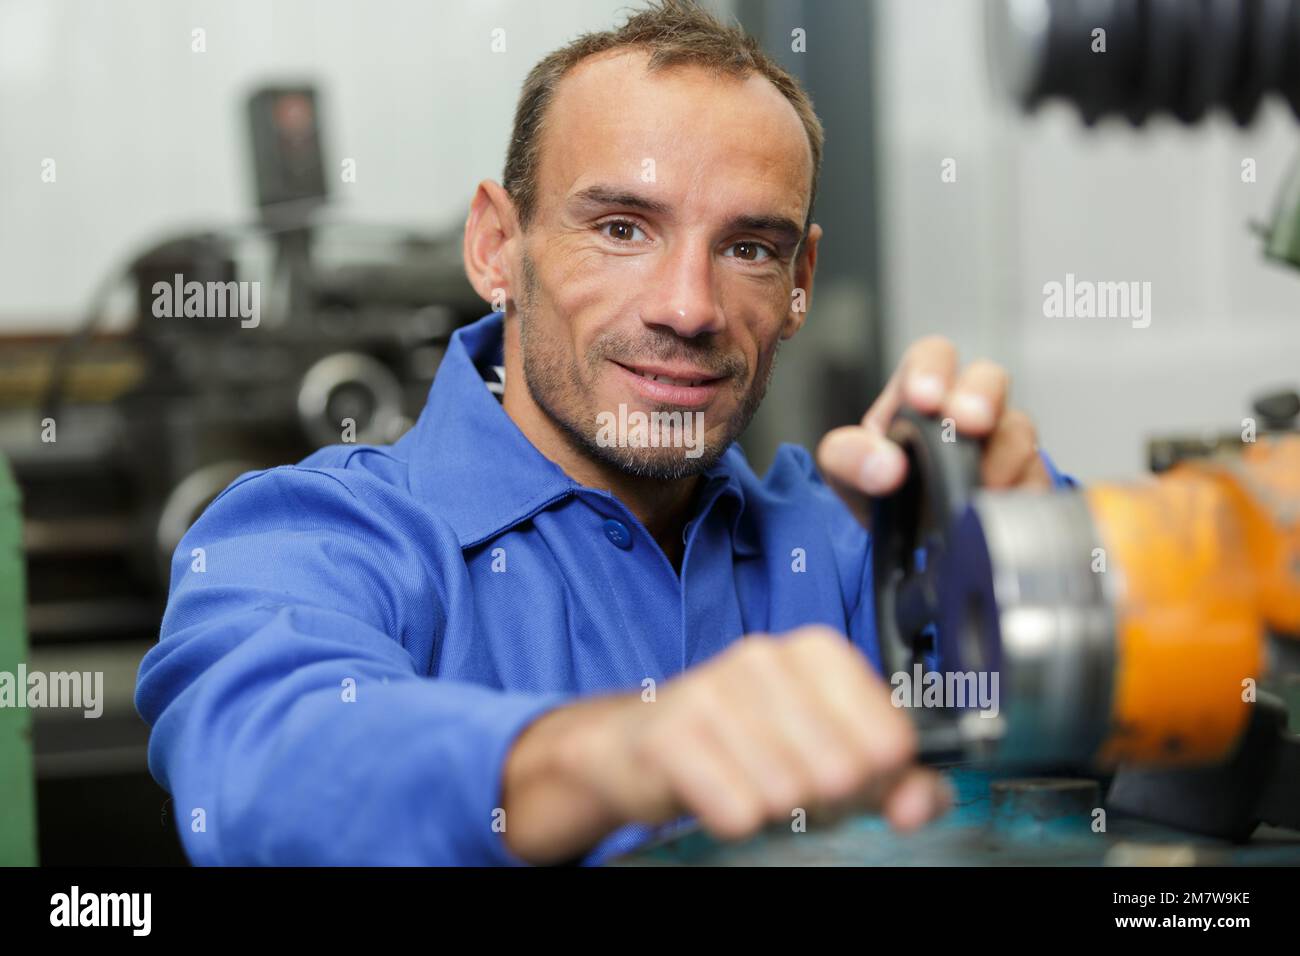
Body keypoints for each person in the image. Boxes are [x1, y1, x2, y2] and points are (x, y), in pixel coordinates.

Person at [136, 0, 1072, 865]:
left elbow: (1147, 728)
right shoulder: (317, 537)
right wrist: (614, 752)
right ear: (496, 246)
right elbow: (263, 763)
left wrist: (1035, 559)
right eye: (623, 228)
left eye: (749, 249)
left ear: (800, 285)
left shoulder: (856, 543)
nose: (689, 307)